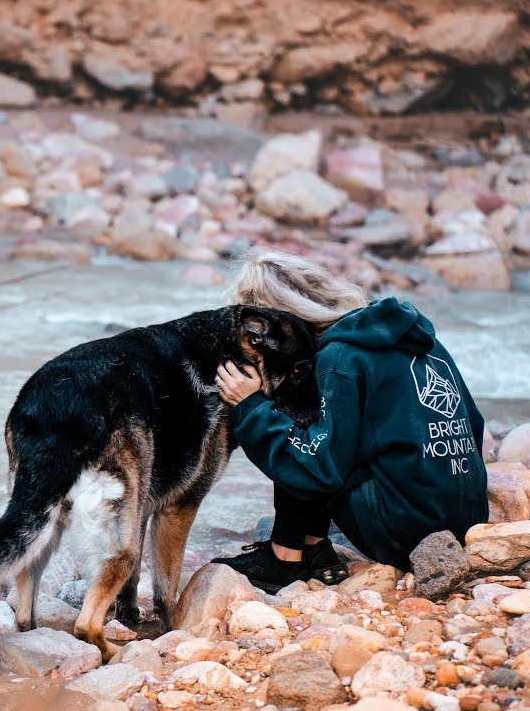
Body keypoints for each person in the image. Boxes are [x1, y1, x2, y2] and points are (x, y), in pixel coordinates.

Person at [209, 250, 489, 593]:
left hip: (408, 536)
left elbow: (316, 466)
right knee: (337, 436)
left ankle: (283, 562)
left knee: (294, 423)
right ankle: (313, 550)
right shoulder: (412, 334)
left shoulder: (340, 357)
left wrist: (250, 406)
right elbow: (474, 424)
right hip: (469, 516)